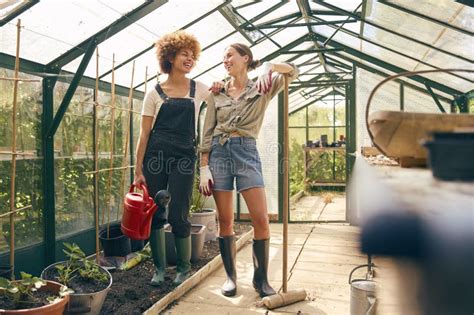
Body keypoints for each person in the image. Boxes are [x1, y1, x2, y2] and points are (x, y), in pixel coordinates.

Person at [199, 43, 299, 297]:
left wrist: (269, 67)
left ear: (246, 58)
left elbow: (293, 72)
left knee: (261, 219)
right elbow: (207, 130)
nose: (225, 60)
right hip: (219, 153)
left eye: (230, 55)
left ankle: (261, 280)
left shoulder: (263, 86)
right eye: (223, 57)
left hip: (246, 152)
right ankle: (231, 278)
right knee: (225, 220)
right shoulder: (217, 91)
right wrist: (203, 167)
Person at [134, 30, 209, 286]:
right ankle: (158, 269)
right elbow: (144, 134)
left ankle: (183, 268)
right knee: (156, 212)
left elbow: (220, 100)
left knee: (179, 213)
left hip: (184, 158)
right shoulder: (154, 93)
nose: (189, 59)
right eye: (183, 54)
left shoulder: (198, 89)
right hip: (155, 157)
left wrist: (221, 86)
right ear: (170, 57)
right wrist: (138, 170)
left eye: (192, 55)